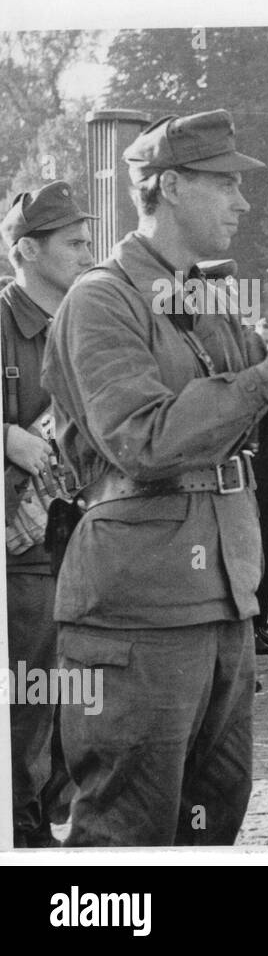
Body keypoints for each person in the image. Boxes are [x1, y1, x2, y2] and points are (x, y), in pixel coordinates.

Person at [40, 110, 268, 845]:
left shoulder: (209, 299)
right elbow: (144, 440)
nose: (242, 202)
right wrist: (263, 379)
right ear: (170, 186)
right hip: (140, 604)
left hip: (224, 594)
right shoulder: (102, 298)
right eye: (226, 183)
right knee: (128, 824)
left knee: (214, 812)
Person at [2, 180, 95, 847]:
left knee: (68, 686)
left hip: (76, 535)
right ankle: (22, 822)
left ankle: (48, 803)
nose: (88, 253)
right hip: (19, 539)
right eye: (74, 242)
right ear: (29, 250)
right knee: (27, 690)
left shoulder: (78, 324)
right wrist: (7, 435)